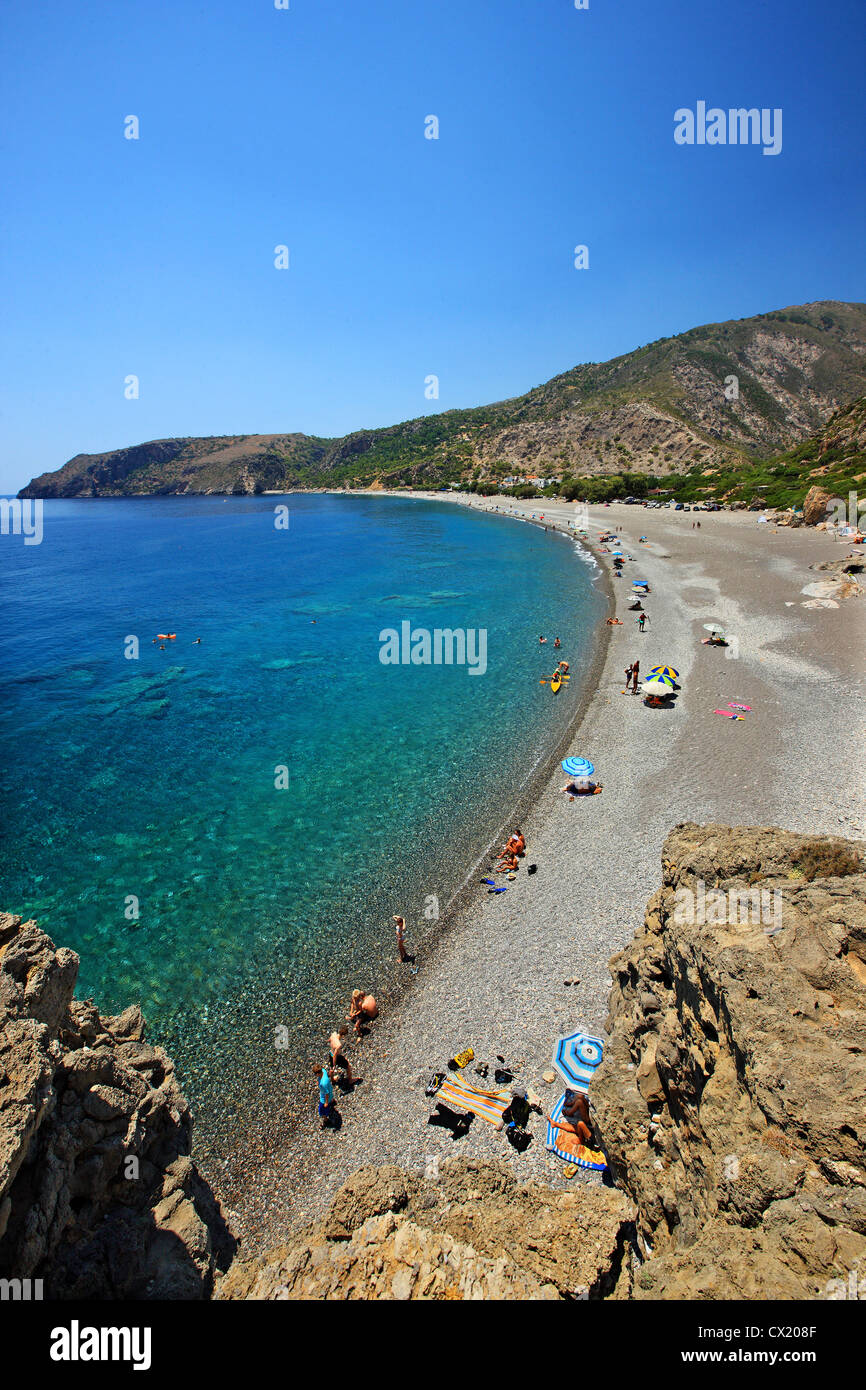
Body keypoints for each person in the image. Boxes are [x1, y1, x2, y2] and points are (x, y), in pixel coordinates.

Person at [314, 1063, 336, 1127]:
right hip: (330, 1090)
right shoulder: (323, 1070)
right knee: (331, 1097)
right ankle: (332, 1101)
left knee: (321, 1111)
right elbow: (328, 1075)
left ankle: (326, 1120)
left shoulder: (323, 1083)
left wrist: (326, 1102)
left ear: (318, 1074)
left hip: (324, 1099)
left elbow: (326, 1094)